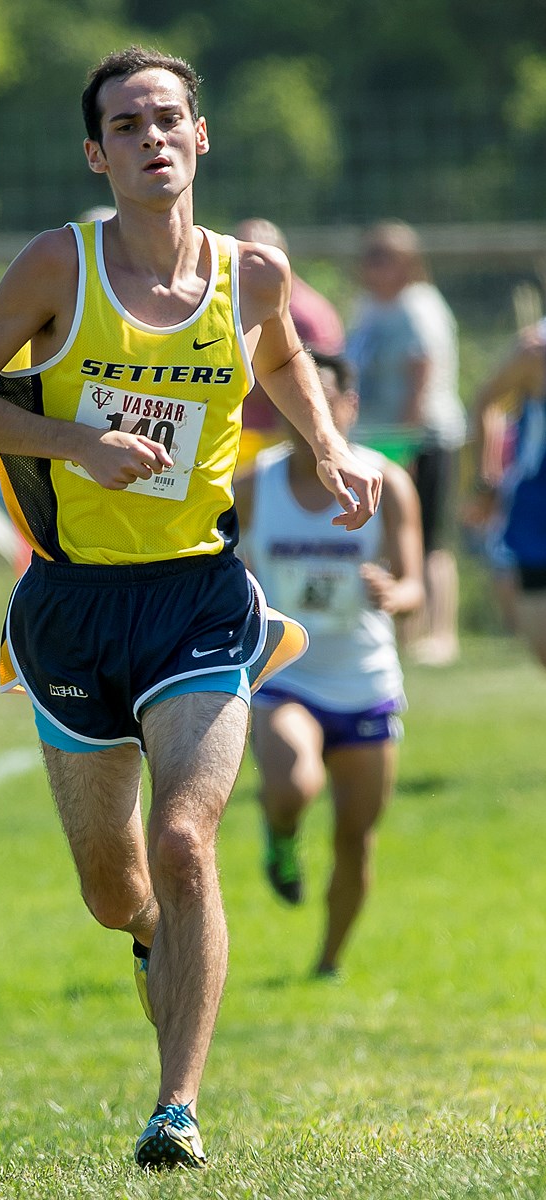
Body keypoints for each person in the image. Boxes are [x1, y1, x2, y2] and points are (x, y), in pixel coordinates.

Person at [0, 46, 382, 1170]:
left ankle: (175, 1108)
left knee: (184, 841)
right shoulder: (55, 269)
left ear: (201, 136)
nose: (151, 139)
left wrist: (324, 448)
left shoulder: (251, 277)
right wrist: (75, 441)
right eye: (125, 126)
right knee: (115, 887)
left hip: (199, 598)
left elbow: (282, 359)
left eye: (167, 118)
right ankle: (146, 940)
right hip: (73, 605)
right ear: (98, 153)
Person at [237, 353, 424, 976]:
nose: (308, 411)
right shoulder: (252, 486)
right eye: (295, 395)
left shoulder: (386, 482)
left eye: (323, 396)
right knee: (293, 784)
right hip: (287, 673)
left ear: (349, 407)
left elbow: (414, 584)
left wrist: (393, 593)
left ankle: (327, 963)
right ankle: (281, 836)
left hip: (365, 681)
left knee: (355, 835)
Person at [346, 220, 466, 666]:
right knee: (391, 537)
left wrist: (407, 444)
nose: (372, 265)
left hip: (421, 439)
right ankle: (405, 629)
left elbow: (421, 379)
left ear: (406, 262)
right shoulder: (369, 306)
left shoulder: (418, 307)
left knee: (430, 537)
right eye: (369, 255)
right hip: (377, 439)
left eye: (384, 257)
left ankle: (441, 633)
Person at [233, 218, 344, 463]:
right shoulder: (234, 302)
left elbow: (325, 381)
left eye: (255, 256)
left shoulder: (308, 314)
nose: (245, 264)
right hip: (241, 438)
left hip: (287, 445)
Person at [469, 320, 546, 668]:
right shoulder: (535, 351)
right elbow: (487, 400)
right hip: (536, 507)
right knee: (536, 631)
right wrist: (486, 480)